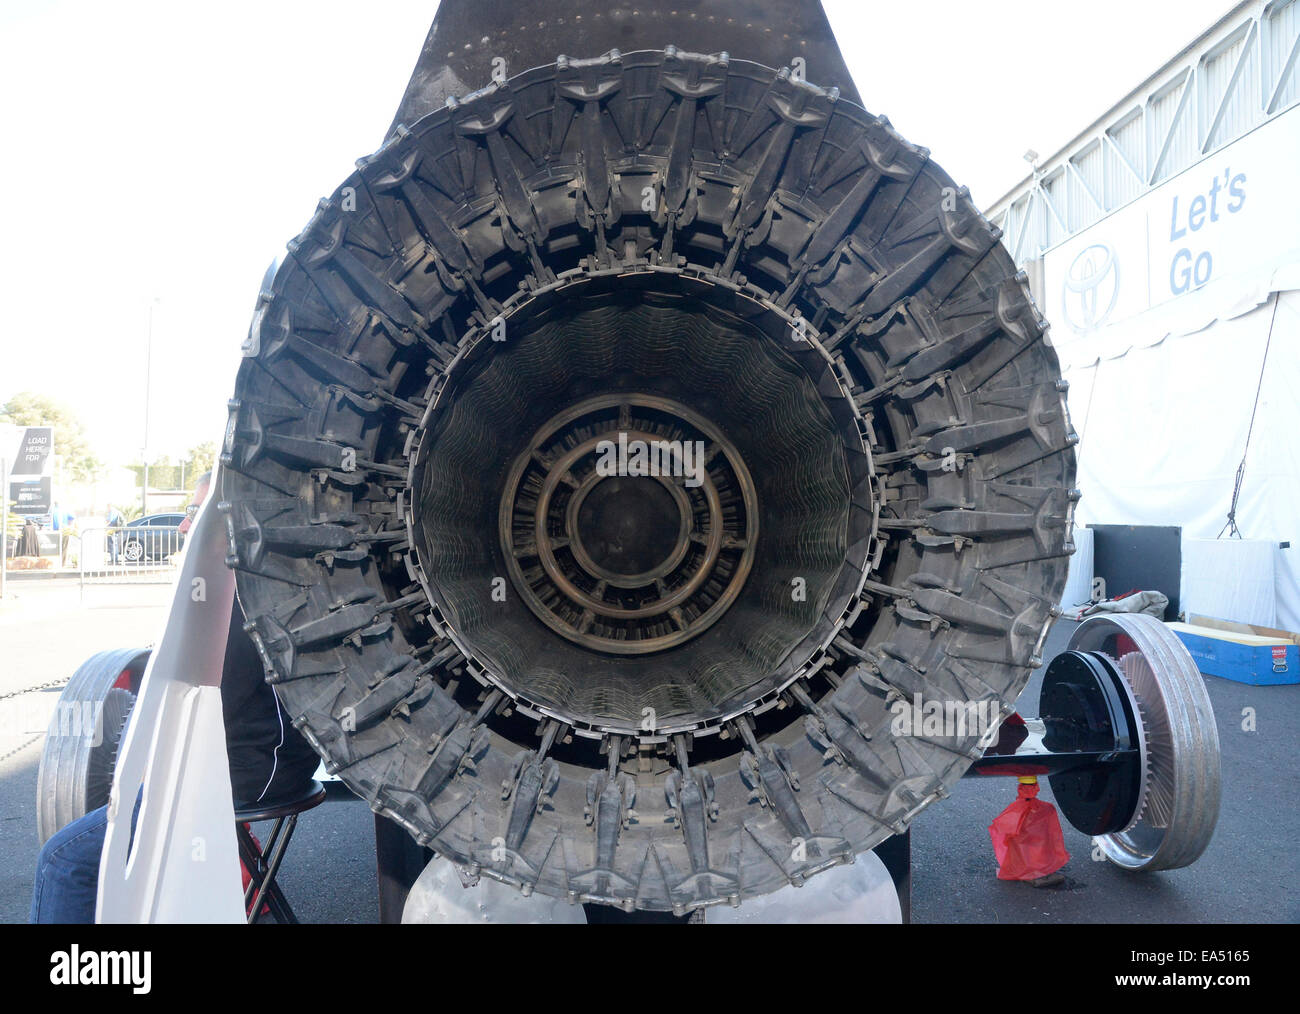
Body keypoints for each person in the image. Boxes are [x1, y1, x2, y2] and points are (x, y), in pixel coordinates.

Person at [30, 471, 320, 923]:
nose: (184, 527)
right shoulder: (252, 584)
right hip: (264, 763)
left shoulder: (237, 597)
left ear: (225, 522)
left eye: (193, 514)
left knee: (63, 862)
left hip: (252, 774)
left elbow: (180, 697)